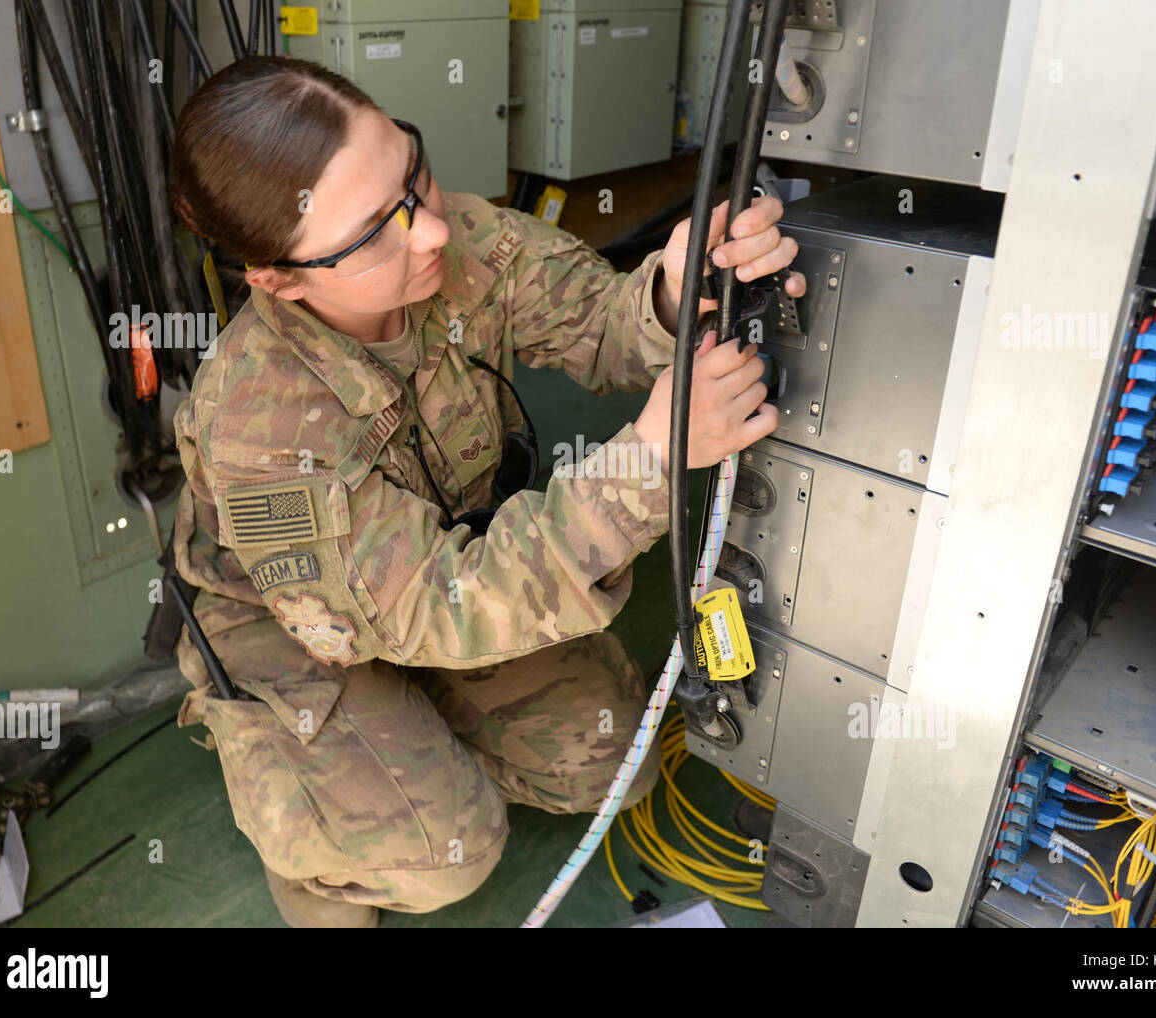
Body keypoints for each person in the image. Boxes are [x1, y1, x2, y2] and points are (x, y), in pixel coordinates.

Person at [166, 55, 805, 927]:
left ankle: (417, 728)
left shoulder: (459, 239)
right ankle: (318, 854)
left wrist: (672, 289)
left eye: (414, 176)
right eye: (371, 236)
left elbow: (596, 321)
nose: (431, 231)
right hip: (302, 632)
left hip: (442, 569)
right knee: (444, 853)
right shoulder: (259, 423)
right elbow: (435, 605)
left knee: (614, 760)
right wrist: (651, 461)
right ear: (279, 277)